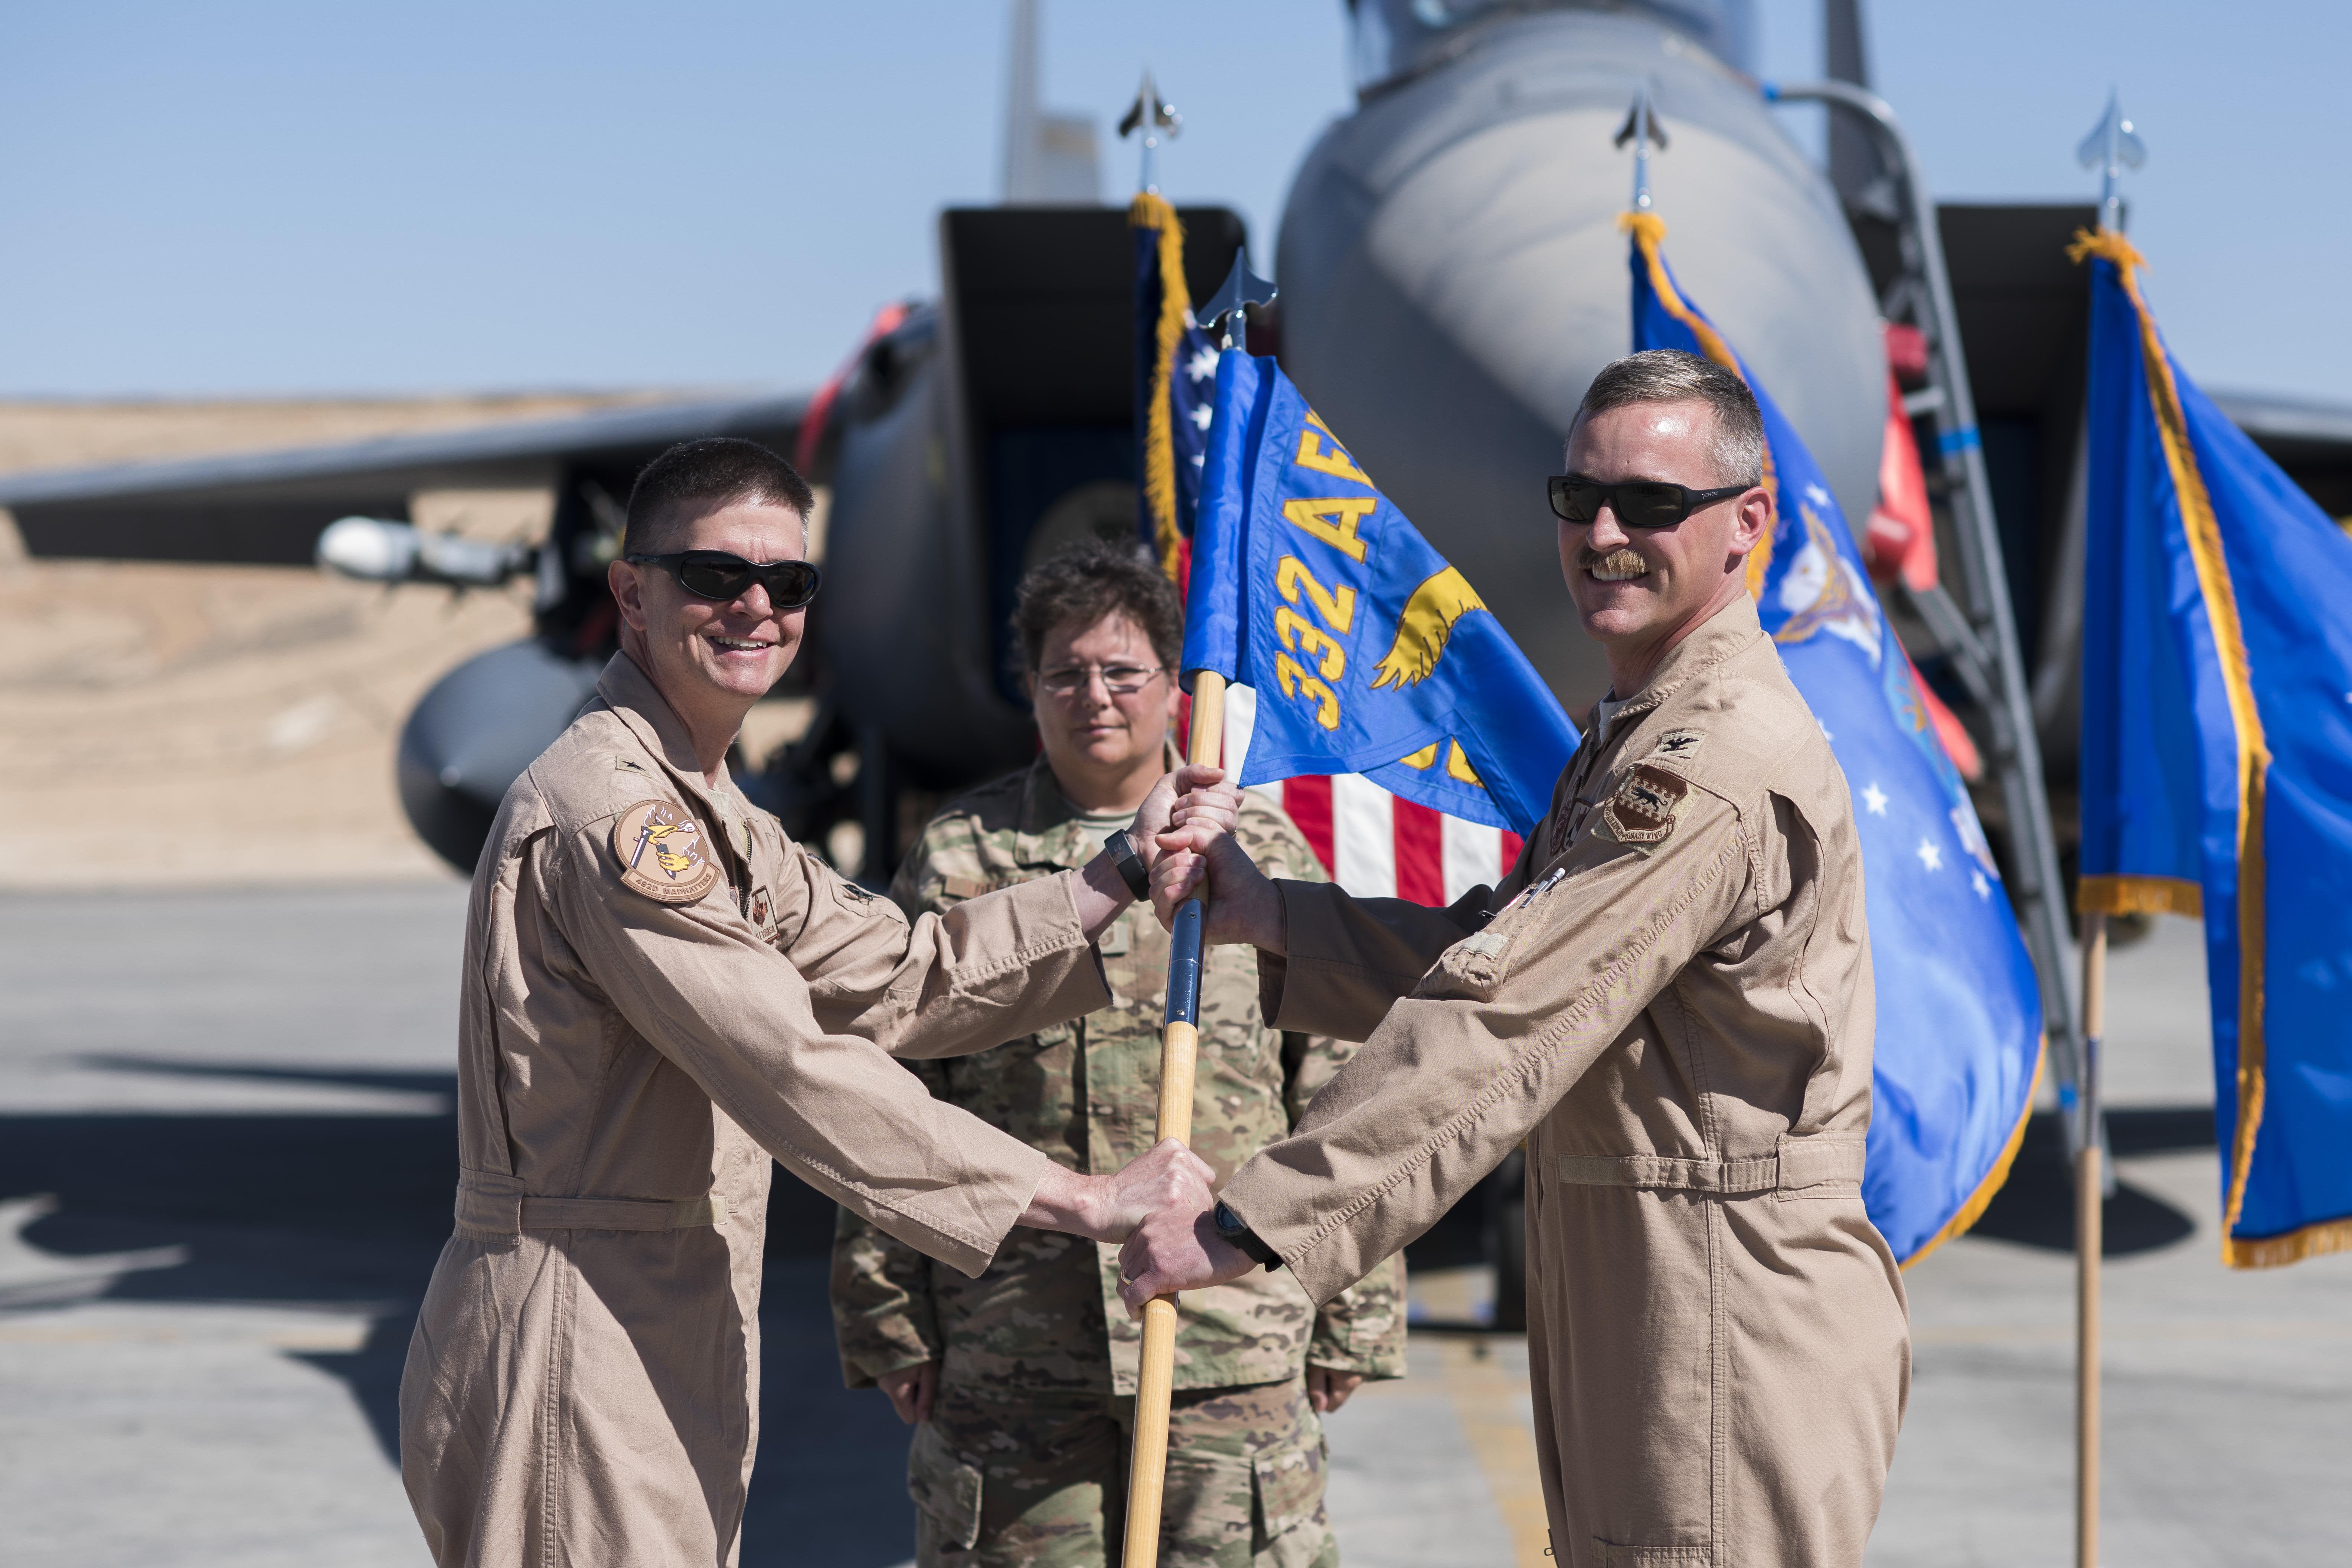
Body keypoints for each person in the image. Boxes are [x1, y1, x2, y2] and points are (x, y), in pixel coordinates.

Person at [1121, 352, 1912, 1568]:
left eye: (1651, 502)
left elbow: (1511, 1016)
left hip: (1720, 1316)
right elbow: (1498, 947)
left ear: (1749, 521)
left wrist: (1252, 1222)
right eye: (1579, 497)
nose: (1605, 535)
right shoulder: (1639, 729)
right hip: (1647, 1294)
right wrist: (1274, 915)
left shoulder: (1709, 763)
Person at [396, 438, 1239, 1568]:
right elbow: (792, 1070)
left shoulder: (716, 812)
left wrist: (1120, 871)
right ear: (631, 594)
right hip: (577, 1331)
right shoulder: (617, 817)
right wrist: (1086, 1200)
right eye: (715, 576)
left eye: (788, 582)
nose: (757, 608)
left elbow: (903, 975)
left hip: (661, 1315)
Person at [831, 542, 1405, 1568]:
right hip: (1011, 1341)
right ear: (1031, 686)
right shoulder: (964, 857)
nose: (1094, 696)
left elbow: (1340, 1087)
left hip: (1229, 1331)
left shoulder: (1258, 855)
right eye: (1065, 673)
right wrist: (887, 1314)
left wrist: (1356, 1307)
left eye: (1122, 671)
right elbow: (888, 1091)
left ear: (1174, 685)